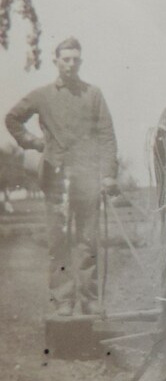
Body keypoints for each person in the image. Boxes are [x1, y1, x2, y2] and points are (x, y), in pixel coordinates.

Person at [5, 37, 119, 316]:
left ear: (81, 62)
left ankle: (89, 298)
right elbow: (12, 118)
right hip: (55, 178)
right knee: (59, 241)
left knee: (88, 240)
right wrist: (33, 142)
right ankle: (63, 299)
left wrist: (108, 175)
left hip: (88, 179)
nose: (70, 64)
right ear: (56, 61)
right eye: (65, 59)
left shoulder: (93, 94)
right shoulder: (42, 95)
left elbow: (107, 136)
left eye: (75, 59)